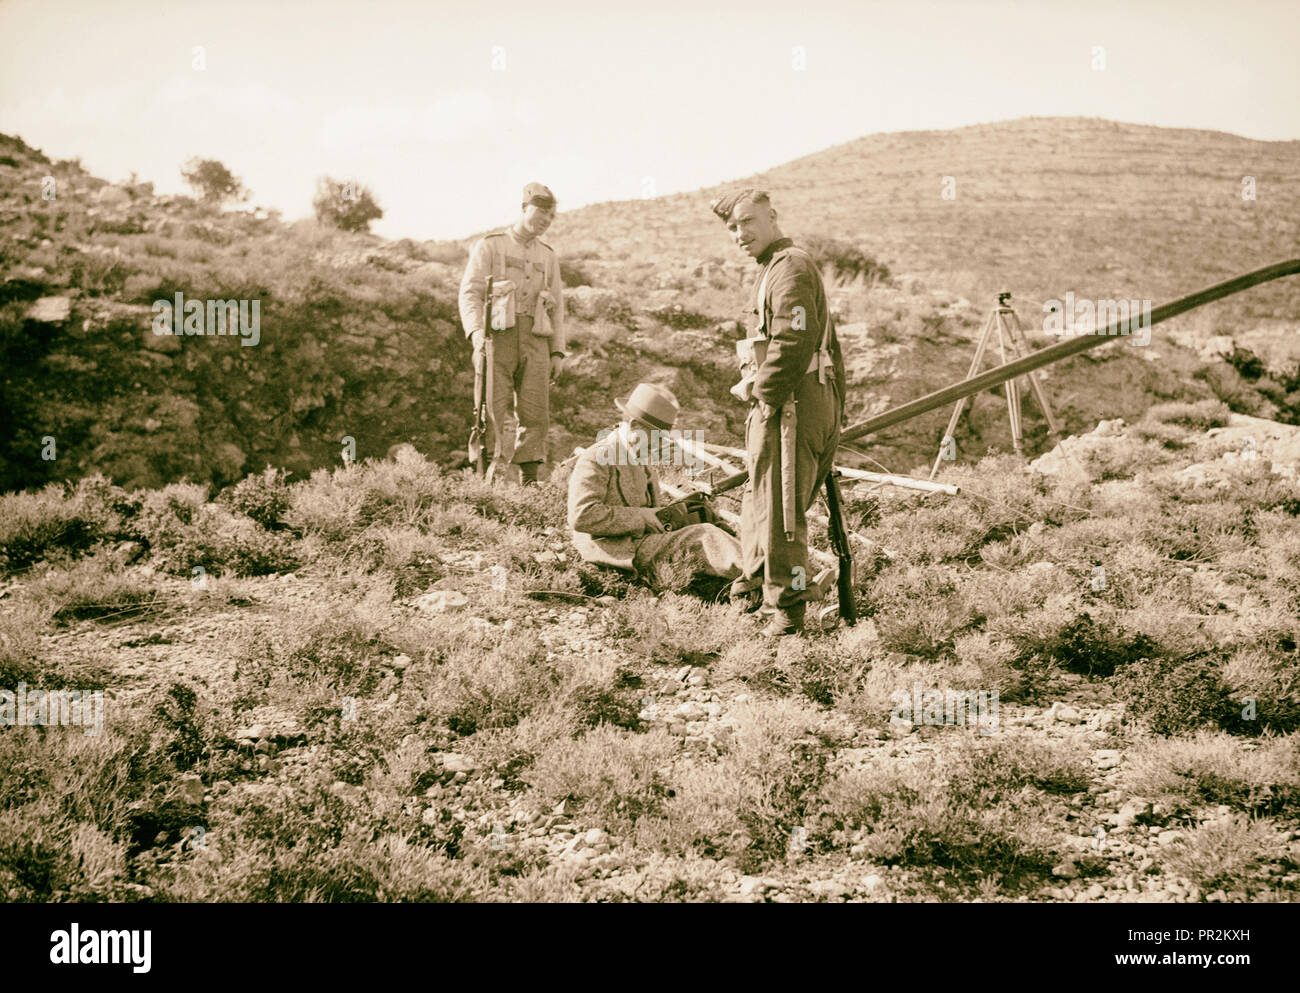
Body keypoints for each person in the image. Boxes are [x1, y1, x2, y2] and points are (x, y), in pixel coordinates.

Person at [710, 189, 847, 637]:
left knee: (782, 507)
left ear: (772, 217)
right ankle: (753, 590)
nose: (739, 234)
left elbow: (794, 339)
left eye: (747, 222)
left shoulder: (790, 266)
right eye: (732, 227)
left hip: (792, 402)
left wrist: (767, 396)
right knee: (762, 498)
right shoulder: (775, 268)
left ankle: (788, 611)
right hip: (795, 398)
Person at [567, 383, 743, 589]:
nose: (660, 444)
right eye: (657, 437)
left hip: (641, 542)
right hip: (617, 549)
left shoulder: (640, 459)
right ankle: (766, 577)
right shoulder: (597, 457)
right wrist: (643, 517)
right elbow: (582, 516)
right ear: (634, 427)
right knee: (703, 535)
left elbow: (651, 513)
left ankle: (760, 571)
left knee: (707, 524)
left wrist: (678, 512)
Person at [458, 182, 567, 484]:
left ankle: (529, 483)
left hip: (536, 341)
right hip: (497, 339)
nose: (546, 219)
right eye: (541, 212)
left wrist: (557, 351)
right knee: (493, 410)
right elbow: (470, 294)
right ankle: (488, 483)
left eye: (551, 215)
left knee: (536, 414)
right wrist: (476, 333)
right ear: (523, 208)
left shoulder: (548, 256)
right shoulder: (490, 246)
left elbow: (557, 308)